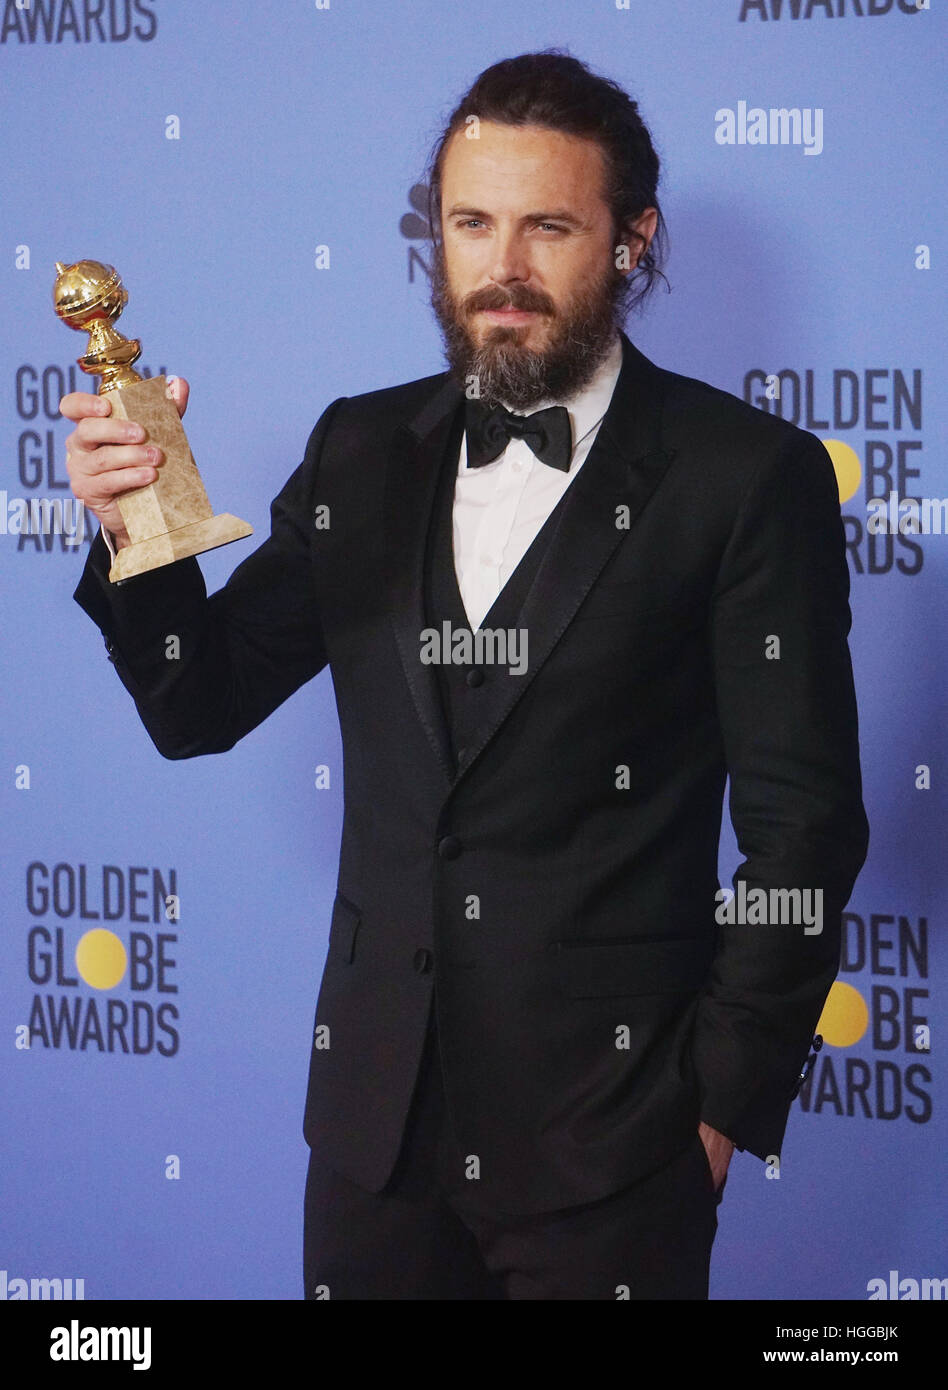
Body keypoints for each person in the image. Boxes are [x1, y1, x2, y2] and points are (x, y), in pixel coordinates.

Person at [61, 51, 869, 1300]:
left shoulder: (745, 476)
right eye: (471, 223)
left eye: (549, 226)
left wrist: (716, 1113)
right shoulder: (360, 449)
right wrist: (135, 534)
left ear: (631, 241)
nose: (504, 268)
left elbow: (804, 828)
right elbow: (199, 705)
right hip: (375, 1145)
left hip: (614, 1155)